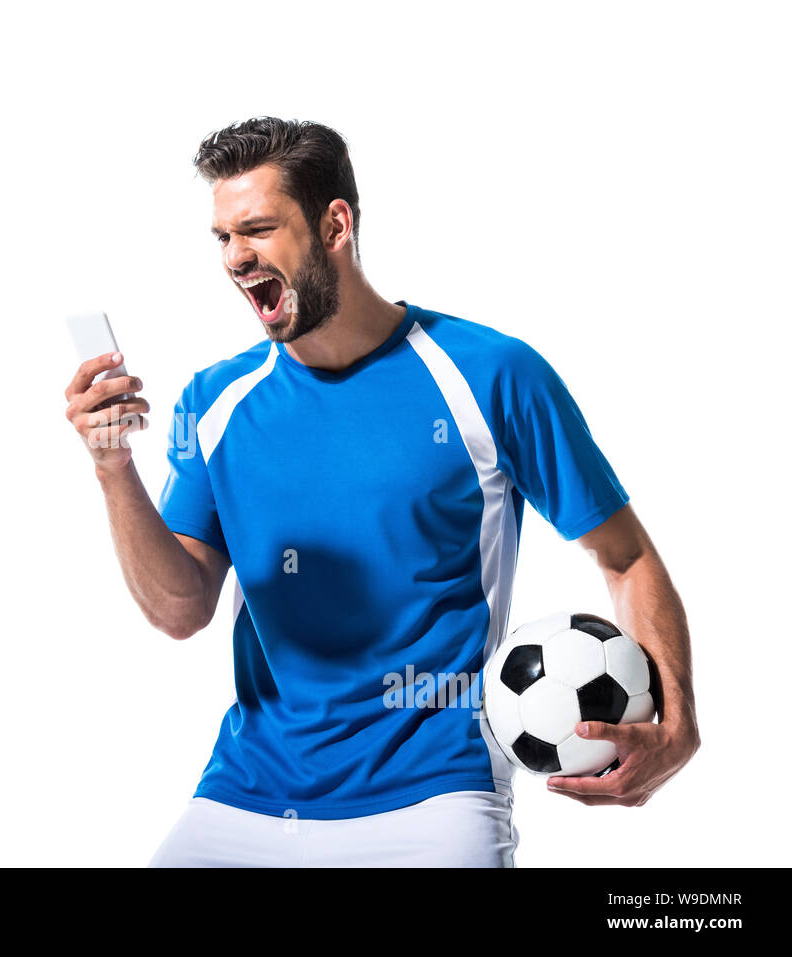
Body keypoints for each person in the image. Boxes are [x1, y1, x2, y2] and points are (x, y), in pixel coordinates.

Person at [62, 116, 700, 867]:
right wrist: (112, 467)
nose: (236, 257)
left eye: (259, 229)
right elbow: (180, 608)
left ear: (335, 223)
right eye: (223, 237)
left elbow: (624, 557)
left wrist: (678, 723)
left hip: (435, 798)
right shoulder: (216, 402)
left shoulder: (491, 374)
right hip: (247, 791)